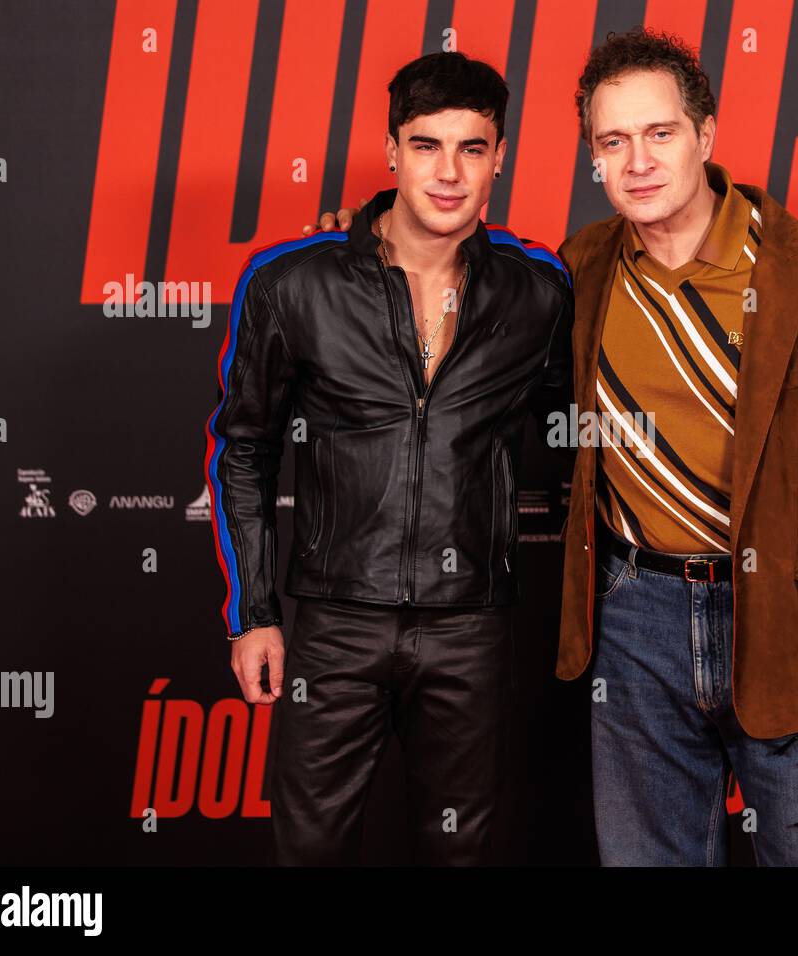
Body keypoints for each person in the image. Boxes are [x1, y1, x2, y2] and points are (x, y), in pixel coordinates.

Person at [310, 28, 798, 867]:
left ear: (705, 136)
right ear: (592, 155)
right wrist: (358, 250)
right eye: (612, 141)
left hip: (792, 620)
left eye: (659, 133)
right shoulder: (581, 270)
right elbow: (461, 290)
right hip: (635, 620)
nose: (637, 160)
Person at [206, 50, 573, 865]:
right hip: (336, 626)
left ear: (500, 156)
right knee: (311, 851)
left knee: (461, 855)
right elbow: (245, 449)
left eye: (472, 149)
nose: (449, 173)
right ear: (392, 150)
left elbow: (570, 438)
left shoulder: (539, 289)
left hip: (471, 627)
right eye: (427, 146)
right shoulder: (292, 282)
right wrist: (255, 613)